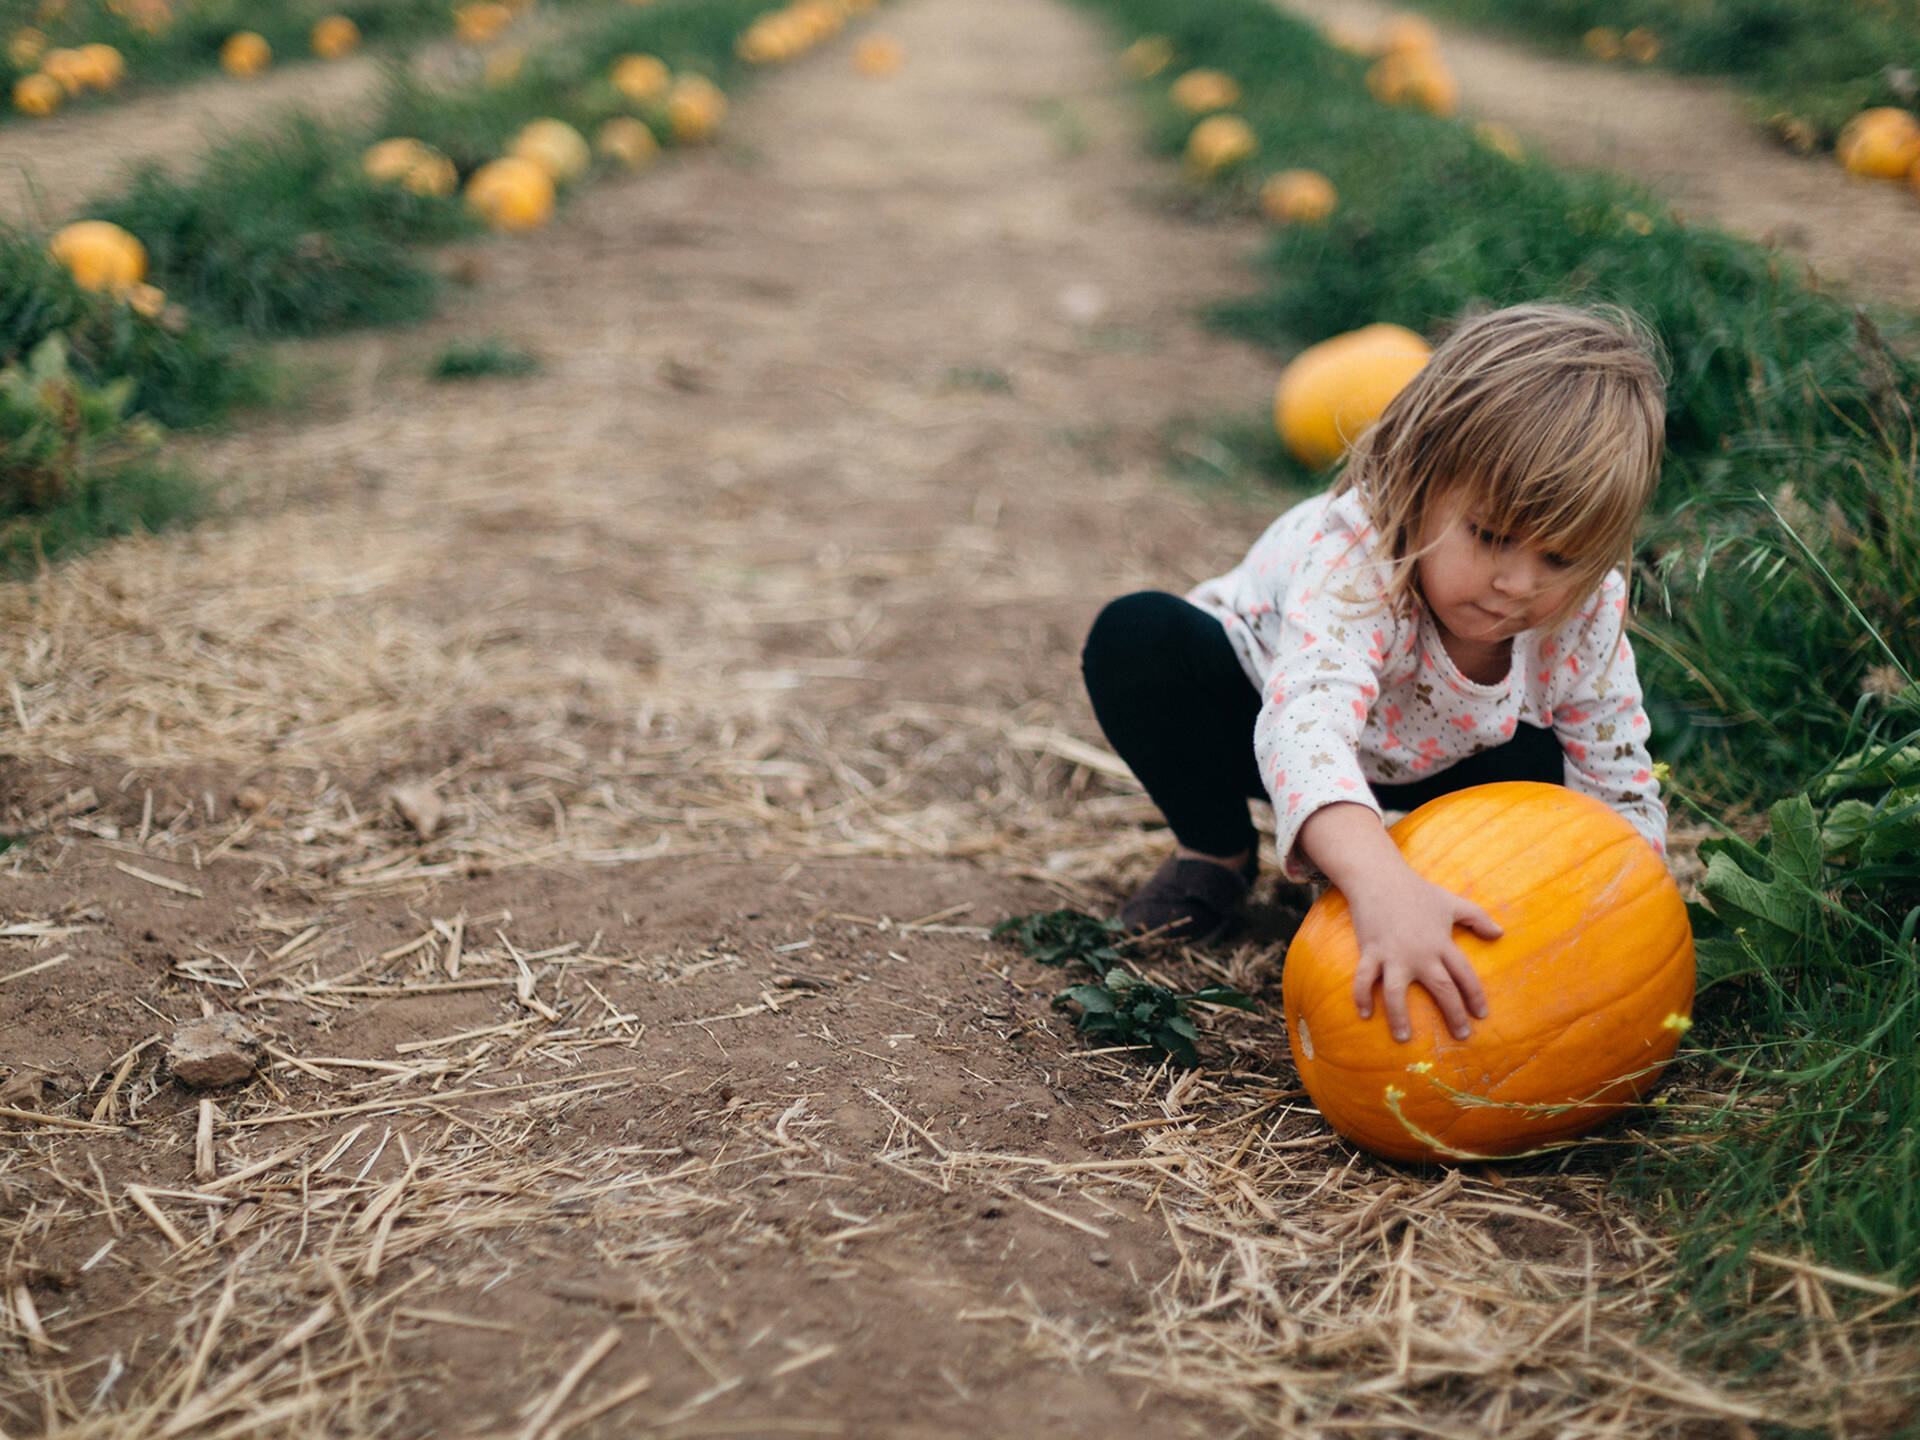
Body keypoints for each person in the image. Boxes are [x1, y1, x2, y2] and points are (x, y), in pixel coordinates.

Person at [1081, 302, 1668, 1045]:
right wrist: (1380, 885)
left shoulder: (1585, 611)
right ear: (1418, 482)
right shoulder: (1362, 557)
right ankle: (1215, 851)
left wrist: (1628, 928)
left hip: (1442, 755)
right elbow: (1304, 728)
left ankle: (1446, 882)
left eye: (1560, 558)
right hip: (1261, 717)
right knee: (1138, 639)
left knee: (1554, 777)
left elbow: (1619, 788)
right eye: (1490, 536)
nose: (1518, 584)